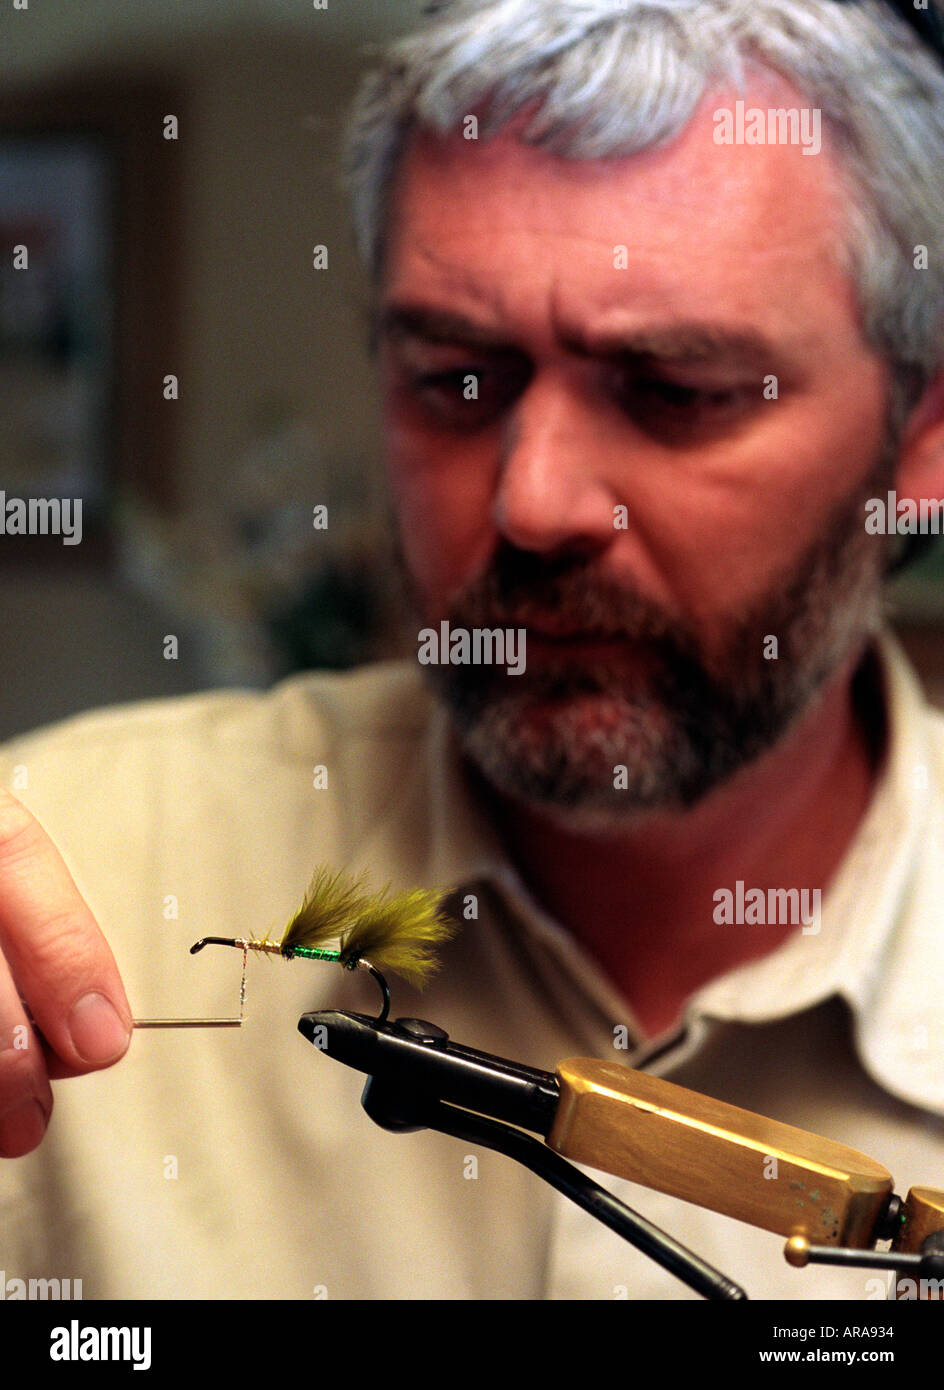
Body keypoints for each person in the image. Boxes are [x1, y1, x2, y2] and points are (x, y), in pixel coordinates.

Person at [2, 0, 944, 1300]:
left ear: (922, 440)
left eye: (679, 392)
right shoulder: (75, 874)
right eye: (454, 378)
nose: (534, 501)